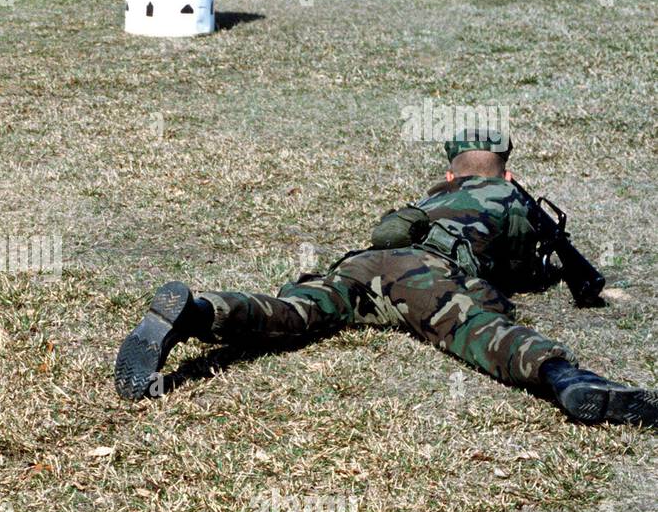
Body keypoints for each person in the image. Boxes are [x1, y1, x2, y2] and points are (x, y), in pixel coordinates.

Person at [114, 129, 658, 427]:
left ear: (450, 173)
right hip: (428, 277)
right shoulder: (513, 201)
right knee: (479, 330)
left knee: (296, 312)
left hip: (365, 263)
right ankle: (567, 379)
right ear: (508, 172)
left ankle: (199, 312)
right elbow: (519, 273)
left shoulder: (435, 196)